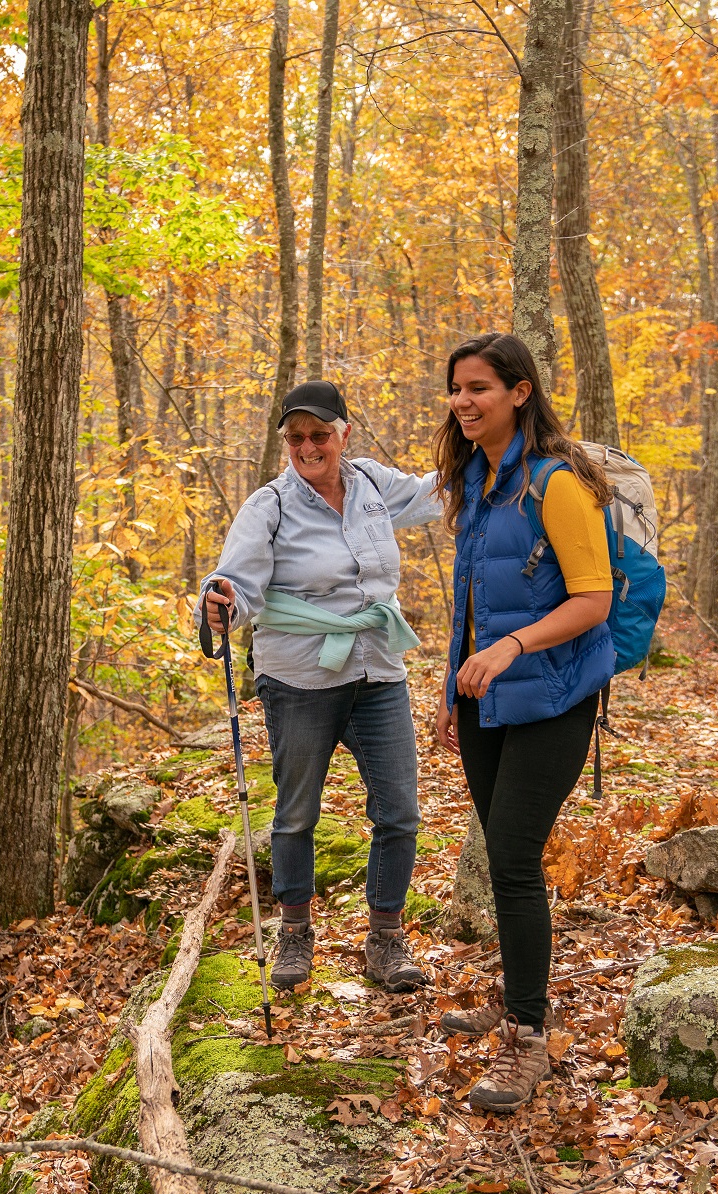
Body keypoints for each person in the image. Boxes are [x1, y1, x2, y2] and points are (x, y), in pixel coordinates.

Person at [198, 380, 442, 993]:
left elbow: (438, 492)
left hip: (378, 669)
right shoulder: (269, 506)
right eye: (296, 437)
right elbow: (237, 581)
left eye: (320, 434)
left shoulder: (372, 485)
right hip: (300, 676)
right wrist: (221, 602)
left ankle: (385, 939)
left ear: (343, 434)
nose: (308, 446)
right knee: (297, 812)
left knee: (400, 812)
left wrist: (505, 453)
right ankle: (294, 932)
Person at [430, 332, 616, 1113]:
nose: (463, 402)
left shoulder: (556, 484)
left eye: (478, 387)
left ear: (520, 392)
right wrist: (452, 686)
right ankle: (517, 998)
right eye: (456, 389)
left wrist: (510, 648)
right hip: (486, 701)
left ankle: (528, 1041)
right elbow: (473, 599)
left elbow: (594, 600)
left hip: (554, 697)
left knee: (510, 857)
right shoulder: (475, 479)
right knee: (510, 861)